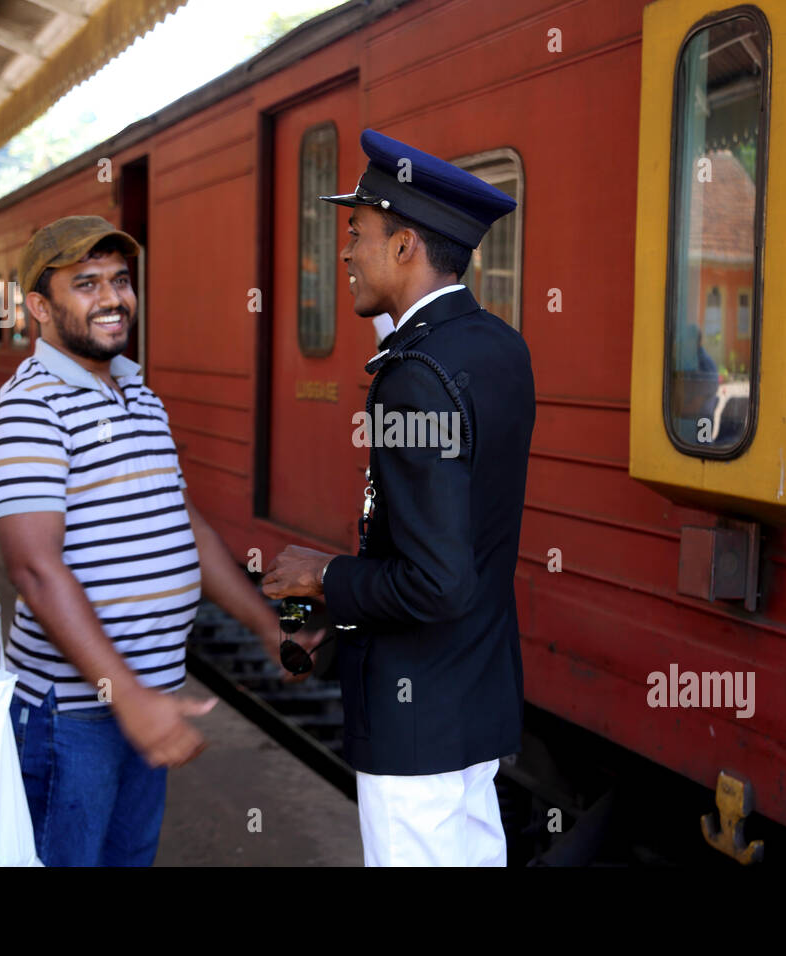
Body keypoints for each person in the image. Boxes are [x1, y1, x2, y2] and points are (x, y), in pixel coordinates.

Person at [0, 216, 314, 867]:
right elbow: (35, 571)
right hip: (73, 716)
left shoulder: (138, 392)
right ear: (40, 308)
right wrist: (126, 699)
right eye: (86, 283)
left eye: (120, 280)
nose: (112, 297)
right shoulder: (28, 409)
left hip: (146, 697)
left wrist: (264, 625)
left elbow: (183, 525)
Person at [263, 129, 535, 866]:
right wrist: (343, 613)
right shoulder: (498, 347)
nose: (345, 255)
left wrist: (324, 577)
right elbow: (463, 551)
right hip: (471, 704)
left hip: (417, 731)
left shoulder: (414, 374)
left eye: (358, 235)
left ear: (406, 245)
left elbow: (436, 581)